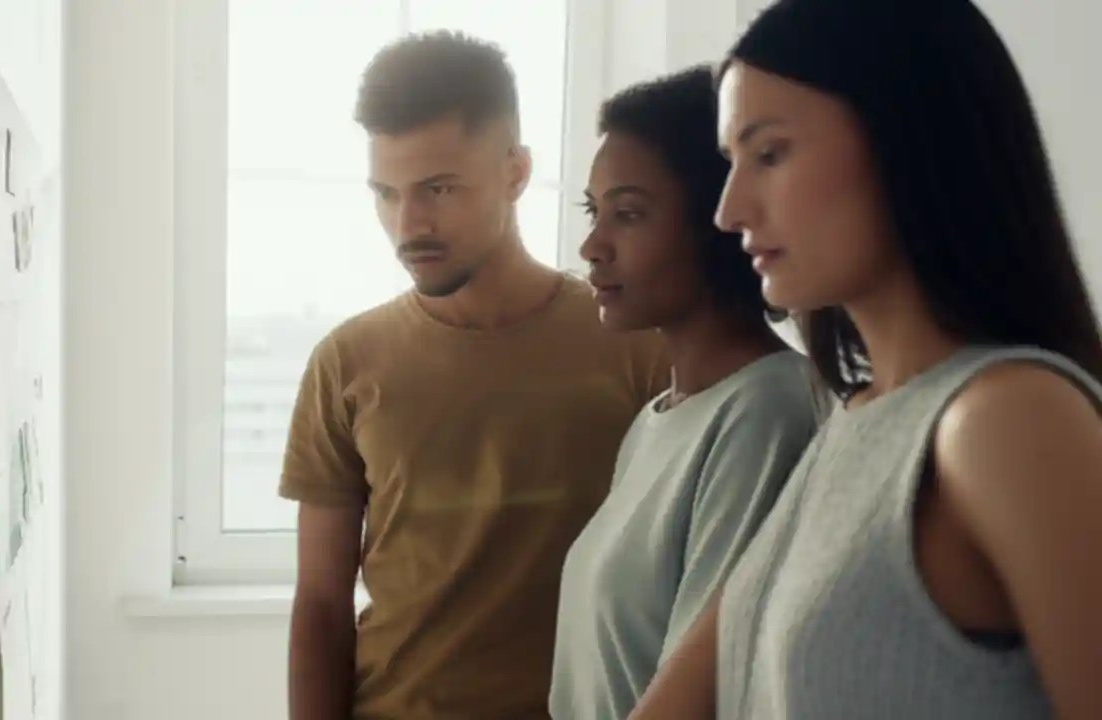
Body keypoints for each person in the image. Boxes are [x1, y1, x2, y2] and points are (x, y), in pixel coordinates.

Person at [630, 1, 1102, 718]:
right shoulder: (849, 426)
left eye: (771, 153)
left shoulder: (1003, 419)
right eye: (732, 162)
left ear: (908, 141)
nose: (729, 210)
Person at [280, 31, 670, 720]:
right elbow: (319, 600)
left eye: (438, 188)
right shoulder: (346, 362)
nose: (409, 224)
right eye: (386, 193)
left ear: (516, 172)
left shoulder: (634, 345)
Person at [548, 68, 820, 720]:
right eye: (594, 212)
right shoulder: (654, 421)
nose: (592, 245)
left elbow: (709, 689)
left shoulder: (766, 412)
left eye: (629, 214)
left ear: (717, 221)